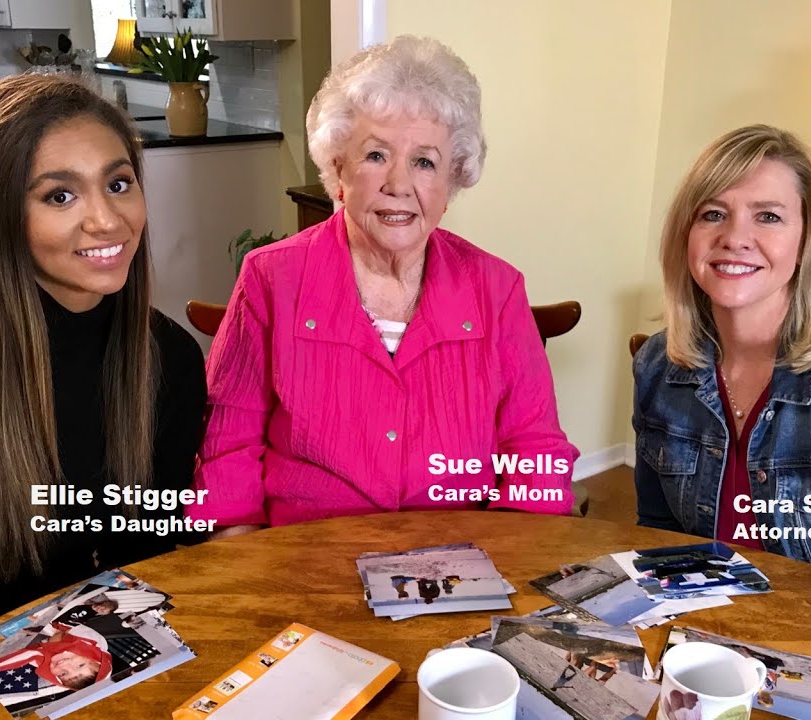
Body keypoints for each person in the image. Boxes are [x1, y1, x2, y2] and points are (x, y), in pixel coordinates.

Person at [189, 35, 578, 537]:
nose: (399, 183)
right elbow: (228, 450)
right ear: (338, 169)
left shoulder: (496, 288)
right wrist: (248, 573)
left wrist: (512, 569)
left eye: (424, 161)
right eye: (375, 155)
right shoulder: (271, 278)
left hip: (458, 567)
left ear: (452, 181)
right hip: (303, 562)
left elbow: (537, 453)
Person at [0, 74, 208, 662]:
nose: (106, 220)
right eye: (59, 196)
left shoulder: (167, 356)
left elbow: (159, 543)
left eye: (119, 184)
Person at [632, 124, 811, 600]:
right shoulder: (657, 364)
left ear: (806, 238)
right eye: (713, 213)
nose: (734, 237)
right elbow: (661, 535)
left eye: (767, 216)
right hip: (701, 643)